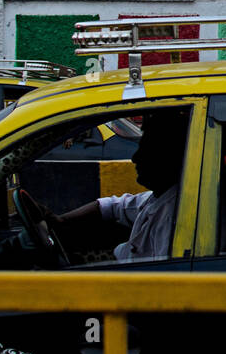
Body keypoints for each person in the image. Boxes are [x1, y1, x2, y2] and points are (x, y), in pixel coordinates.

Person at [56, 110, 189, 262]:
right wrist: (61, 221)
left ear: (168, 156)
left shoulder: (173, 218)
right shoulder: (157, 199)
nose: (135, 158)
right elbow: (114, 206)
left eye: (146, 149)